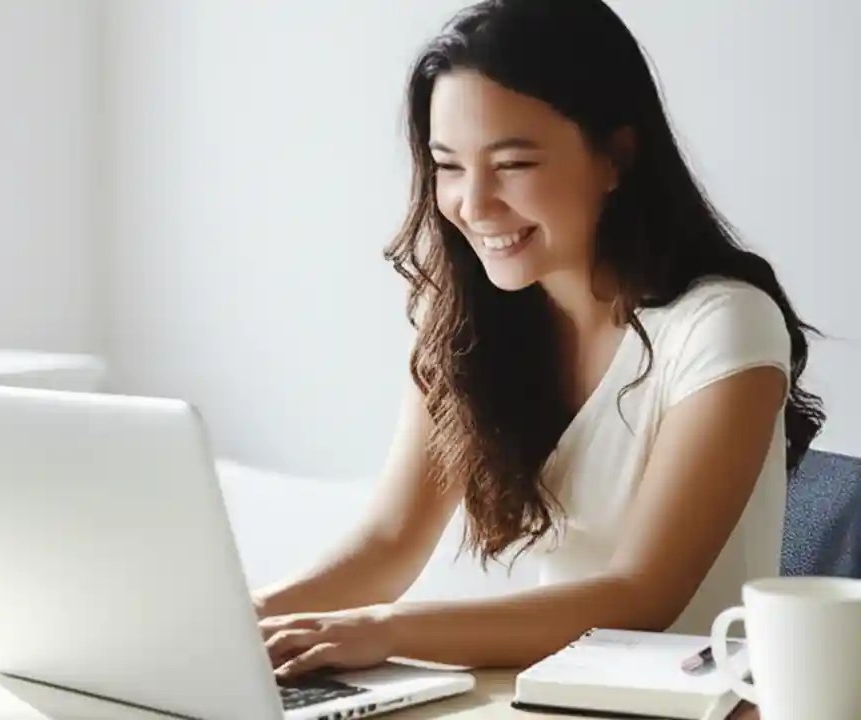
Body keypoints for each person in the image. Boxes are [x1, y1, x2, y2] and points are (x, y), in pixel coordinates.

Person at [254, 0, 825, 681]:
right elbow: (388, 543)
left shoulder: (721, 323)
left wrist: (383, 630)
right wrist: (237, 623)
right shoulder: (464, 318)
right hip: (522, 695)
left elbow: (641, 594)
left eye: (513, 164)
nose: (474, 203)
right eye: (449, 166)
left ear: (616, 155)